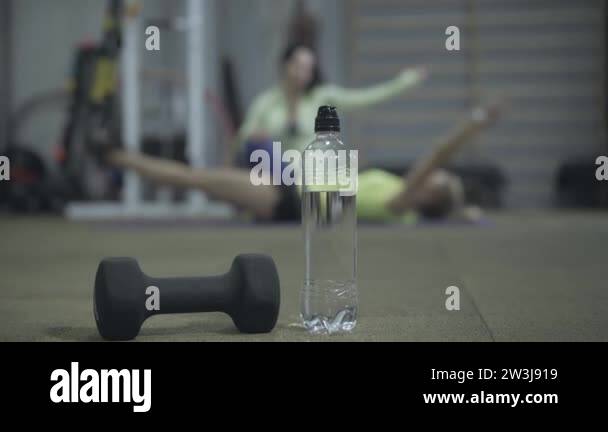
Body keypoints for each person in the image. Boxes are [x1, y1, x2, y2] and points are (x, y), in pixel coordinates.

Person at [101, 101, 501, 223]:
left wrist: (474, 123)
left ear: (432, 192)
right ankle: (121, 156)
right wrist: (470, 211)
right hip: (293, 181)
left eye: (438, 179)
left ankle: (119, 157)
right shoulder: (405, 200)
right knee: (220, 167)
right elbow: (458, 206)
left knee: (197, 178)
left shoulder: (401, 207)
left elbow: (436, 157)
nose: (431, 174)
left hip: (292, 198)